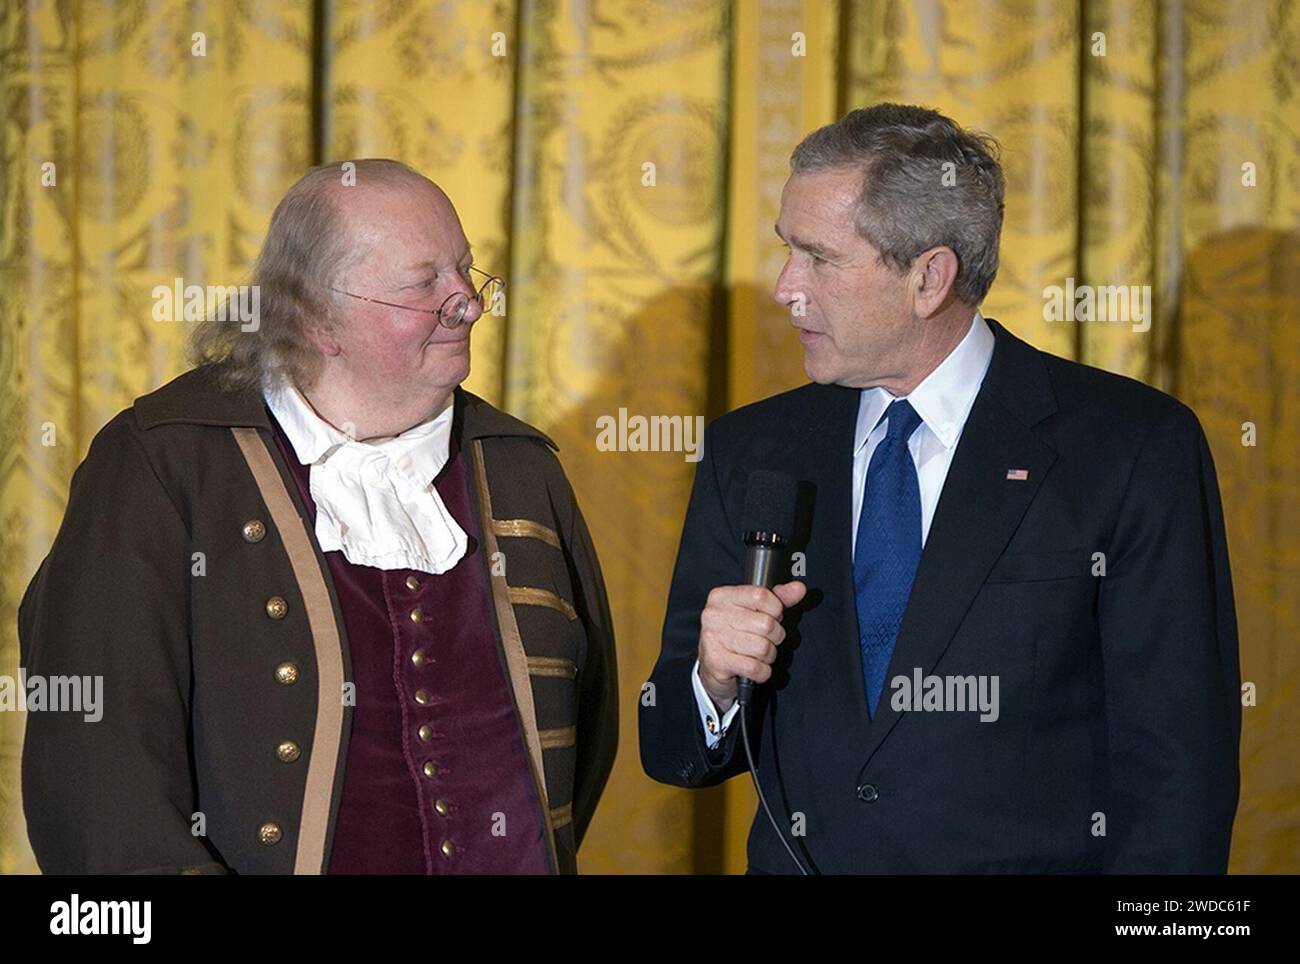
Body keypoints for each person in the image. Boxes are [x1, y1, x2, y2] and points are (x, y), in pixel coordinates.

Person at [640, 104, 1240, 873]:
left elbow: (1178, 771)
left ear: (929, 277)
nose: (786, 289)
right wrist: (712, 681)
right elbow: (672, 750)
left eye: (819, 258)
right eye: (787, 251)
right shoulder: (751, 450)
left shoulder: (1130, 447)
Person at [20, 159, 617, 874]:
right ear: (314, 316)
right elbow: (99, 784)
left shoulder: (520, 467)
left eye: (464, 269)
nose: (468, 302)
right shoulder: (165, 464)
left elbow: (587, 730)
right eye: (424, 283)